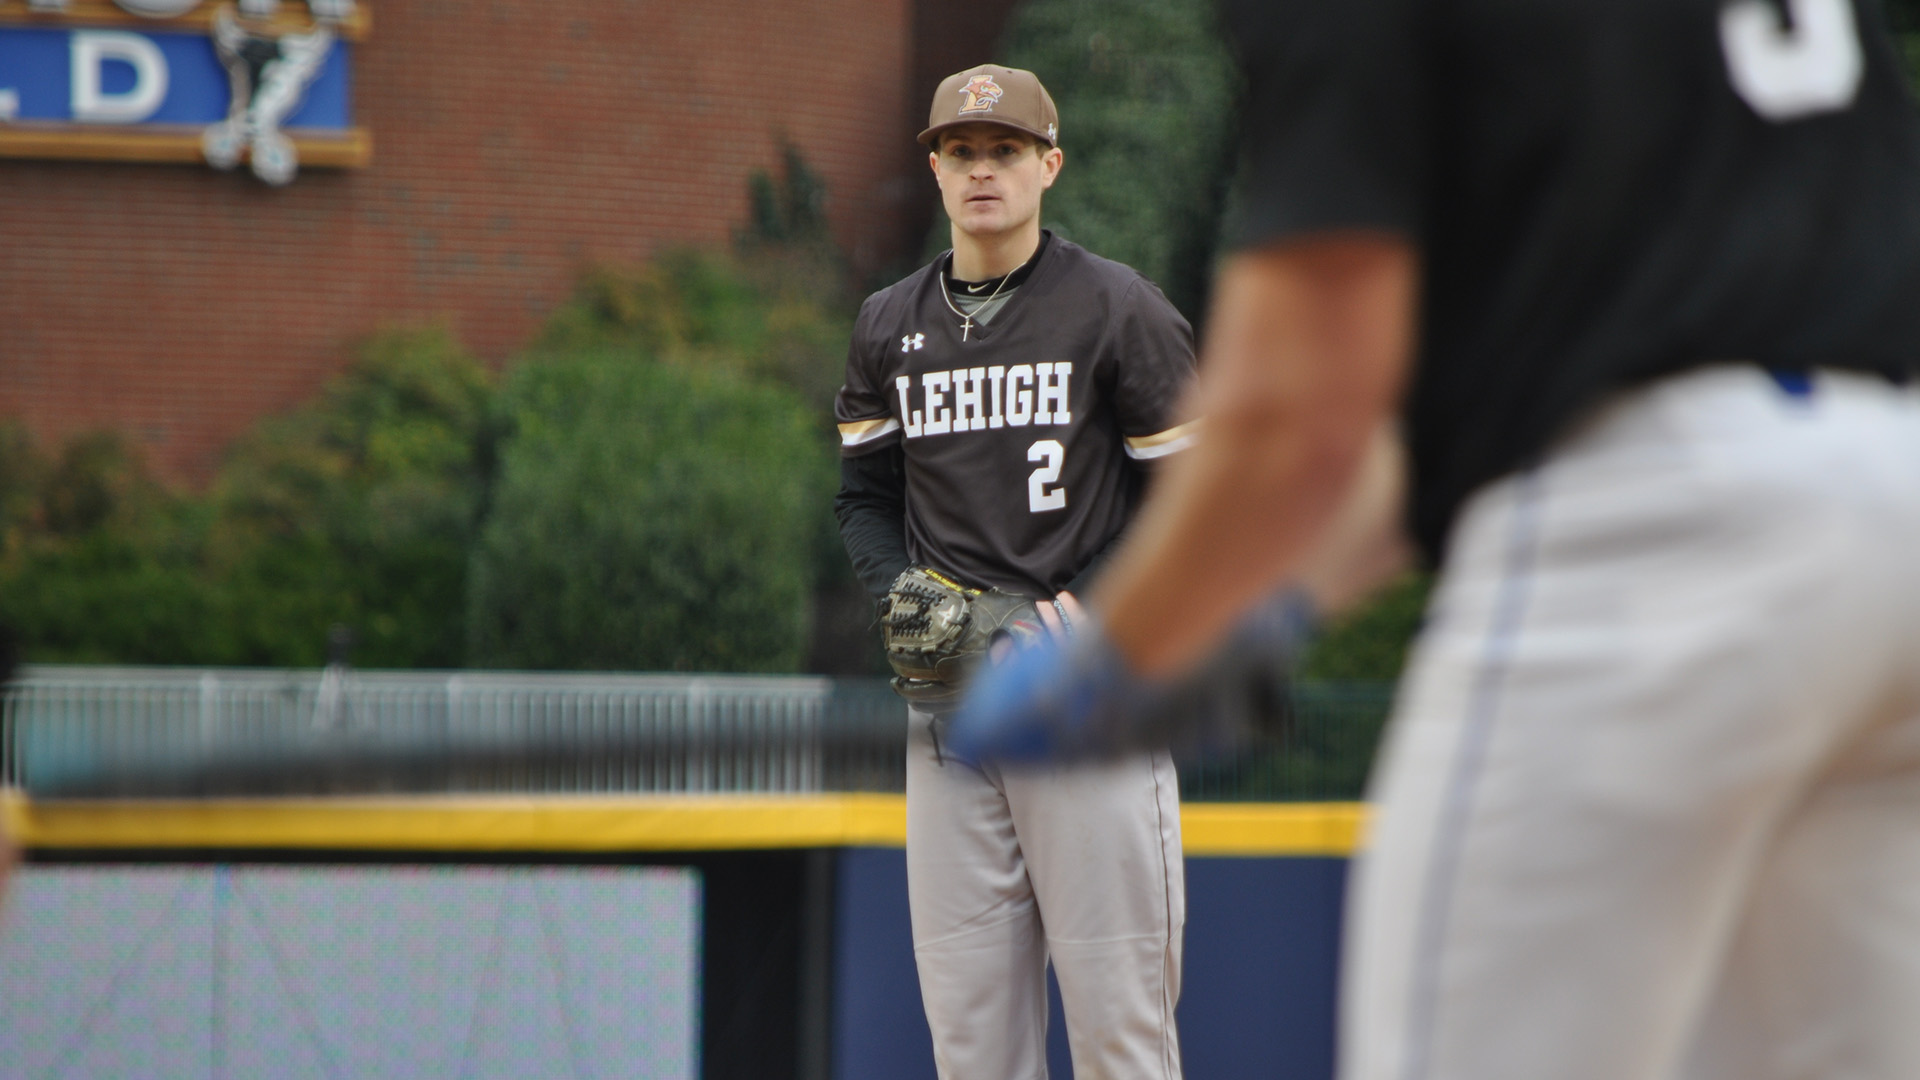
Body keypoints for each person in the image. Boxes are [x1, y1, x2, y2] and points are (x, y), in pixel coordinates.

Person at [952, 2, 1920, 1078]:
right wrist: (1278, 601)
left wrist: (1126, 649)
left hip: (1651, 559)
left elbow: (1300, 408)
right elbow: (1493, 395)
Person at [833, 63, 1198, 1079]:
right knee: (973, 1048)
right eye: (962, 152)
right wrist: (909, 606)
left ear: (1050, 165)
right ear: (938, 172)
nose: (982, 170)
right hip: (950, 698)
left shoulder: (1119, 308)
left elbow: (1191, 495)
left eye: (1004, 151)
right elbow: (864, 500)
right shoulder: (887, 325)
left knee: (1124, 1039)